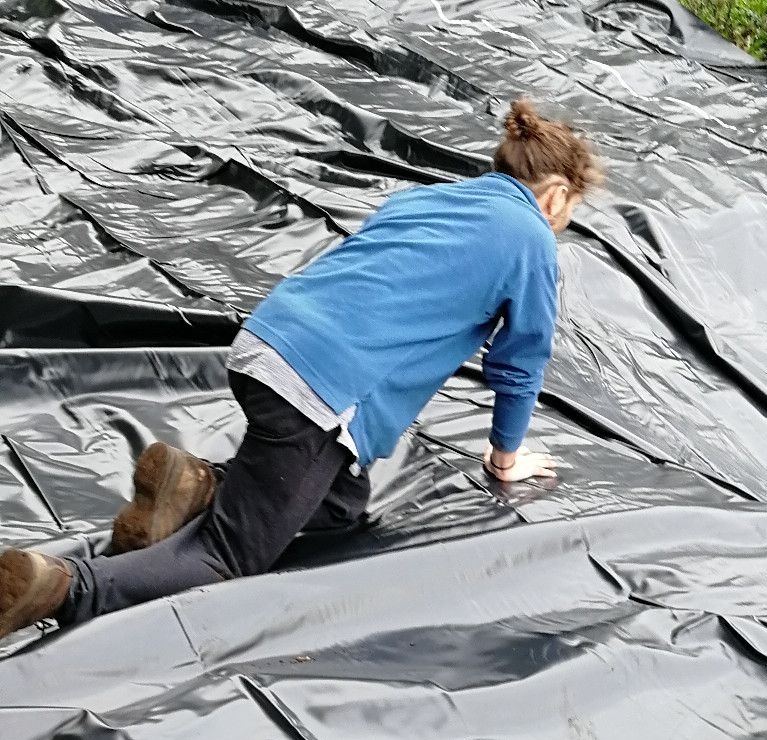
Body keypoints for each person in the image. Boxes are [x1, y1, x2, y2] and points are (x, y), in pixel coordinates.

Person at [0, 101, 601, 638]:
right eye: (568, 211)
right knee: (230, 553)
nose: (562, 222)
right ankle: (66, 586)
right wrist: (504, 458)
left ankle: (199, 484)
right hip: (319, 388)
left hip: (267, 339)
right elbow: (520, 361)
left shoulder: (431, 199)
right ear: (554, 195)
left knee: (342, 502)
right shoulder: (530, 237)